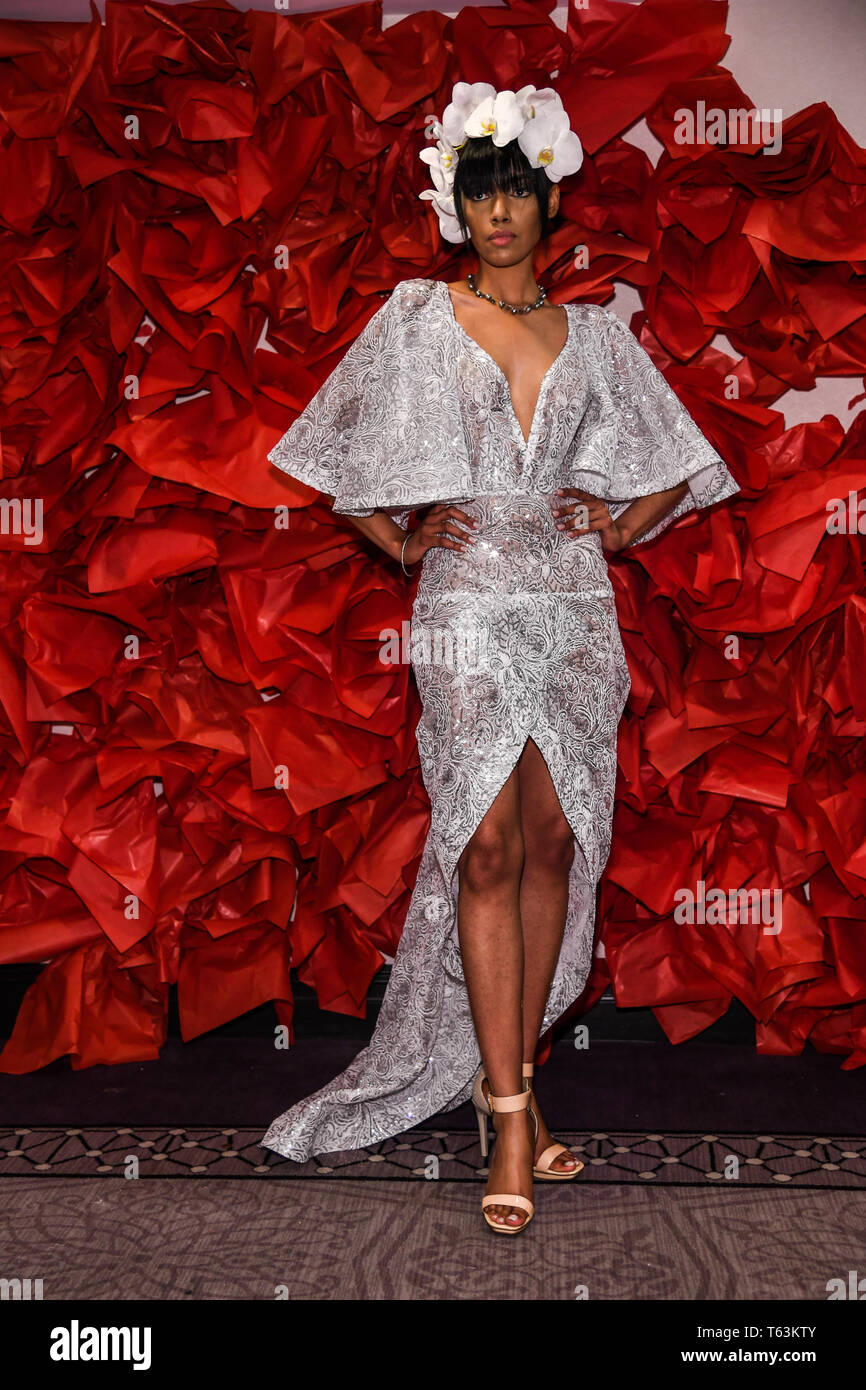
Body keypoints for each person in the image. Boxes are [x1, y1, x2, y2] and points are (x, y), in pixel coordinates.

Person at [262, 81, 739, 1234]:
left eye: (515, 192)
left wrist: (619, 526)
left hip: (573, 609)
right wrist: (402, 533)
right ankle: (515, 1113)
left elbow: (683, 457)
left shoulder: (596, 333)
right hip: (467, 604)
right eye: (479, 196)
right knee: (481, 845)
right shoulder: (418, 316)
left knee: (550, 843)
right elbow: (330, 452)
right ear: (457, 209)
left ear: (545, 199)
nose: (498, 214)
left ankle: (498, 1081)